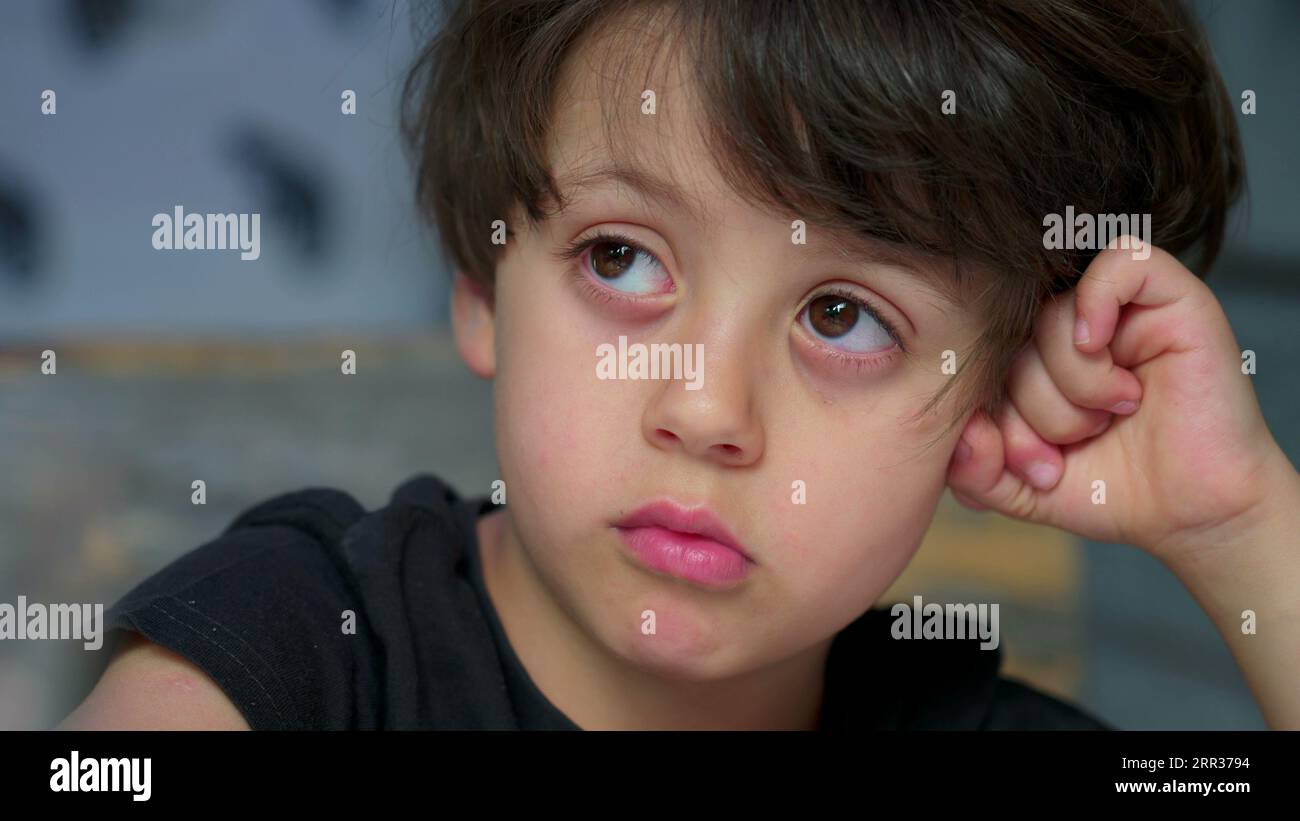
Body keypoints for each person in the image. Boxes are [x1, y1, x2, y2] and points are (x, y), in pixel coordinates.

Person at [60, 0, 1300, 730]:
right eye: (621, 258)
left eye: (843, 318)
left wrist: (1239, 521)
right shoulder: (288, 645)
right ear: (486, 285)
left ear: (992, 390)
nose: (707, 409)